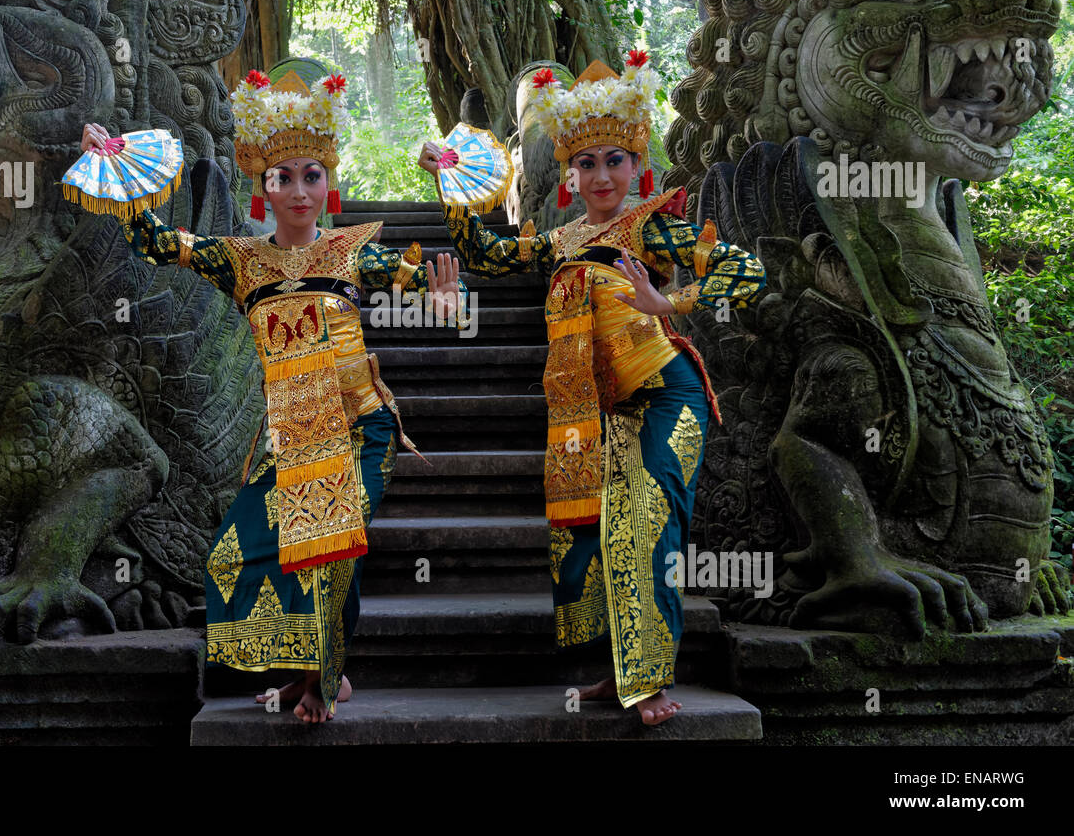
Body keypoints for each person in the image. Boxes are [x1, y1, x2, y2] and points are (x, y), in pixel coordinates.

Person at [80, 68, 466, 724]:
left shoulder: (350, 253)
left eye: (311, 174)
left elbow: (422, 288)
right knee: (235, 555)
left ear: (327, 180)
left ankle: (322, 678)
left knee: (330, 543)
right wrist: (111, 165)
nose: (298, 189)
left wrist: (446, 304)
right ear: (261, 185)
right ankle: (301, 670)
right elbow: (153, 242)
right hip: (286, 439)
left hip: (359, 430)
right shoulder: (239, 258)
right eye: (282, 176)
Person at [421, 51, 767, 725]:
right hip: (596, 416)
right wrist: (453, 190)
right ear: (571, 176)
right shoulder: (557, 241)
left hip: (668, 398)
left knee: (644, 525)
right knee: (596, 536)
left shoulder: (655, 227)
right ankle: (621, 671)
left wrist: (670, 303)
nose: (601, 174)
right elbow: (487, 256)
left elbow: (745, 271)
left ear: (636, 166)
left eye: (614, 160)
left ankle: (649, 679)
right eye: (587, 163)